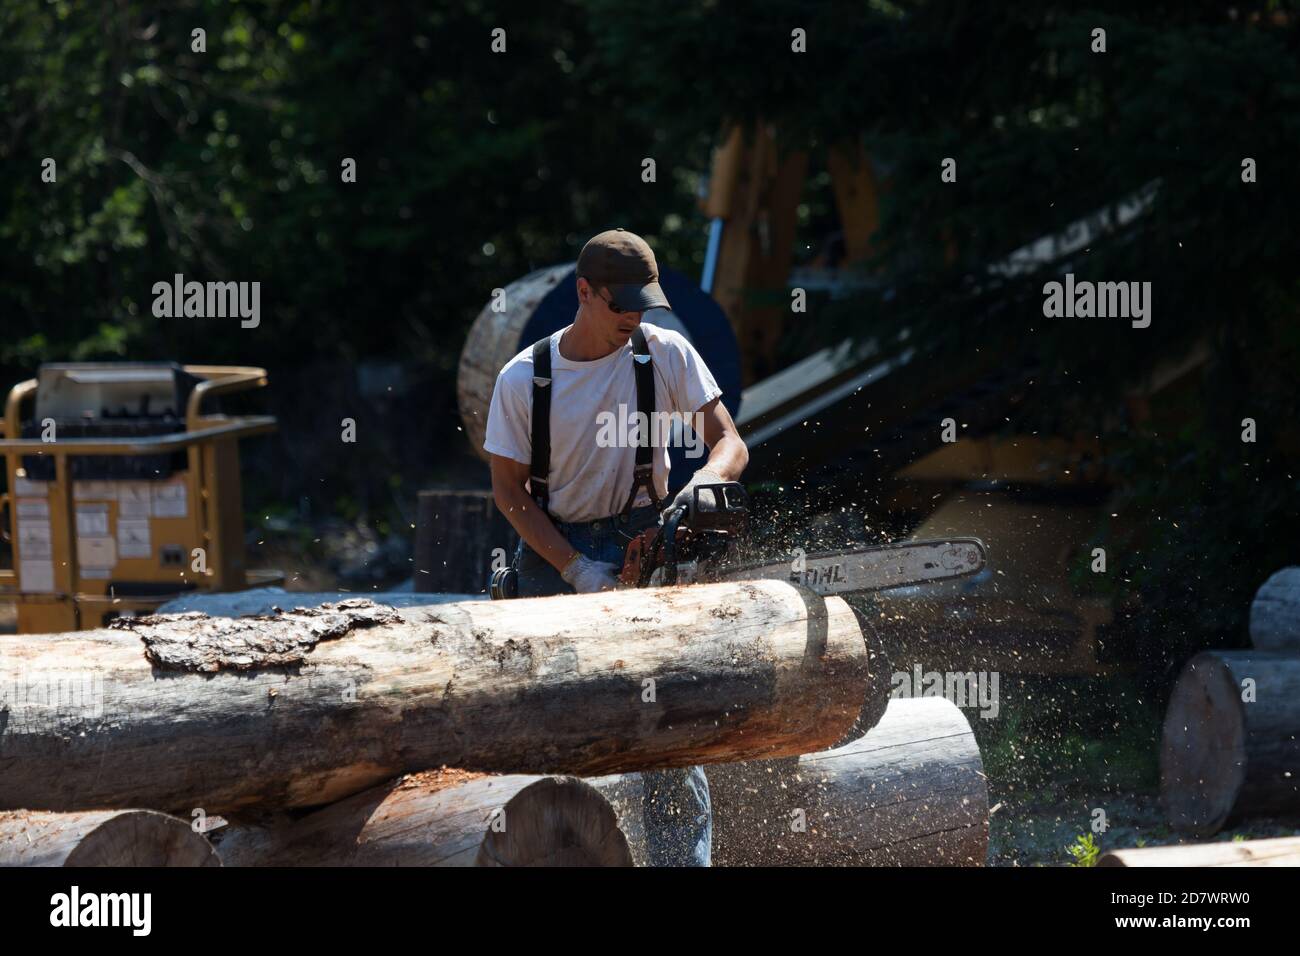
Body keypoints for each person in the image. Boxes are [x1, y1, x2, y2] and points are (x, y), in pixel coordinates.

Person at [483, 227, 748, 866]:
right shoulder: (526, 380)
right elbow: (509, 495)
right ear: (584, 292)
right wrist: (576, 569)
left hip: (643, 533)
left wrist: (705, 482)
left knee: (666, 729)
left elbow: (729, 443)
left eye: (640, 304)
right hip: (555, 551)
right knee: (544, 733)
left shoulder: (665, 355)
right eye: (619, 304)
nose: (632, 317)